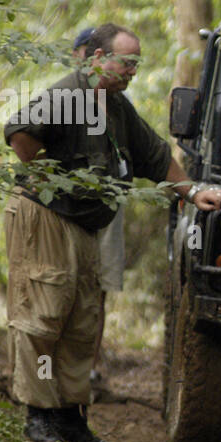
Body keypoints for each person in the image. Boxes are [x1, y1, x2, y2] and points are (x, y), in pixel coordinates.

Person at [4, 22, 221, 442]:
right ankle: (38, 415)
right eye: (126, 62)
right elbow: (20, 132)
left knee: (82, 319)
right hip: (46, 215)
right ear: (97, 58)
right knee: (42, 314)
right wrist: (46, 174)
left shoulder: (117, 106)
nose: (132, 71)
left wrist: (195, 192)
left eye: (136, 63)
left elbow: (156, 156)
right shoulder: (70, 94)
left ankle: (69, 416)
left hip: (86, 223)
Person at [71, 27, 125, 395]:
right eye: (83, 52)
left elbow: (146, 148)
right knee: (69, 285)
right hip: (71, 209)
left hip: (110, 205)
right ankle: (63, 373)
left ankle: (89, 368)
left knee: (101, 286)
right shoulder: (65, 95)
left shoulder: (118, 102)